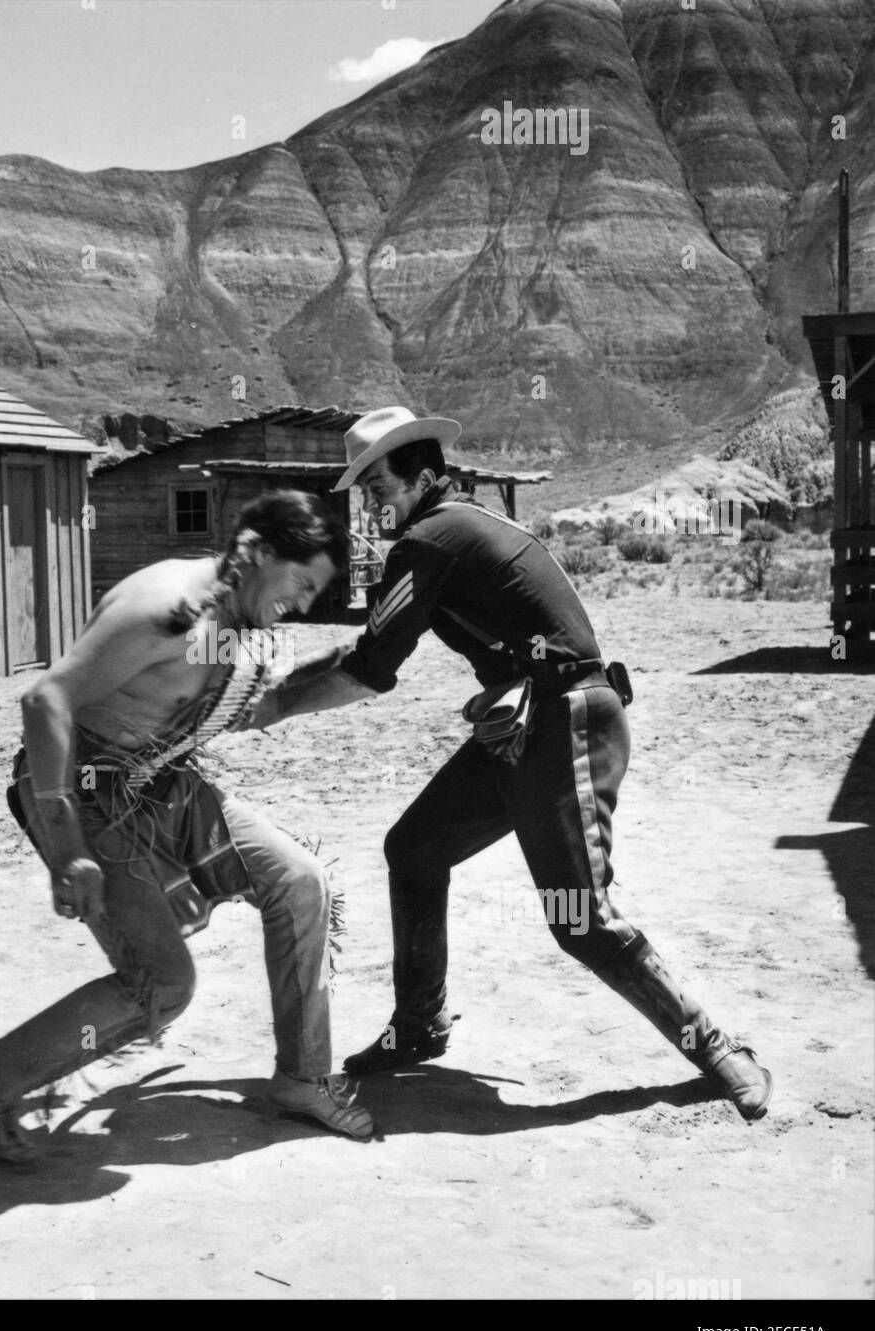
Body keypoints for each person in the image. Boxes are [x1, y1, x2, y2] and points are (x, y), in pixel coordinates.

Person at [250, 407, 773, 1121]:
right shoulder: (455, 527)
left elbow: (370, 670)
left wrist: (274, 705)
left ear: (425, 476)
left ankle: (717, 1048)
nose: (371, 504)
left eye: (379, 486)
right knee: (416, 847)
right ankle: (419, 1028)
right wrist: (276, 693)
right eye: (364, 490)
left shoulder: (429, 540)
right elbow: (364, 653)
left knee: (580, 919)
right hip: (523, 724)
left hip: (567, 722)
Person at [0, 490, 375, 1162]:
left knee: (300, 881)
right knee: (164, 985)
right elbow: (47, 698)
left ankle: (302, 1077)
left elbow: (251, 710)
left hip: (163, 782)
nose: (300, 603)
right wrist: (68, 850)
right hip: (84, 796)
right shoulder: (164, 610)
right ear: (260, 552)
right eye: (300, 582)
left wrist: (356, 671)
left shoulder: (236, 624)